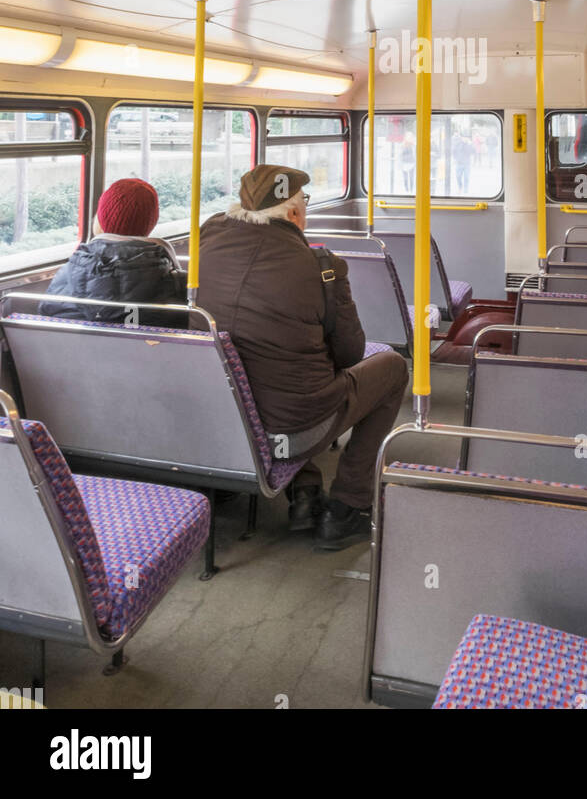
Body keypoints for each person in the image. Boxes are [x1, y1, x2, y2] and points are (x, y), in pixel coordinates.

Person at [197, 163, 408, 551]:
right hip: (290, 431)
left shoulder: (206, 240)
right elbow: (350, 353)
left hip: (223, 421)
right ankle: (347, 506)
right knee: (392, 368)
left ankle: (306, 488)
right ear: (295, 213)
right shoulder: (322, 268)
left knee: (269, 368)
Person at [42, 177, 188, 326]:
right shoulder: (176, 283)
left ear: (100, 217)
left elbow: (47, 315)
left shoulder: (66, 273)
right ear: (151, 222)